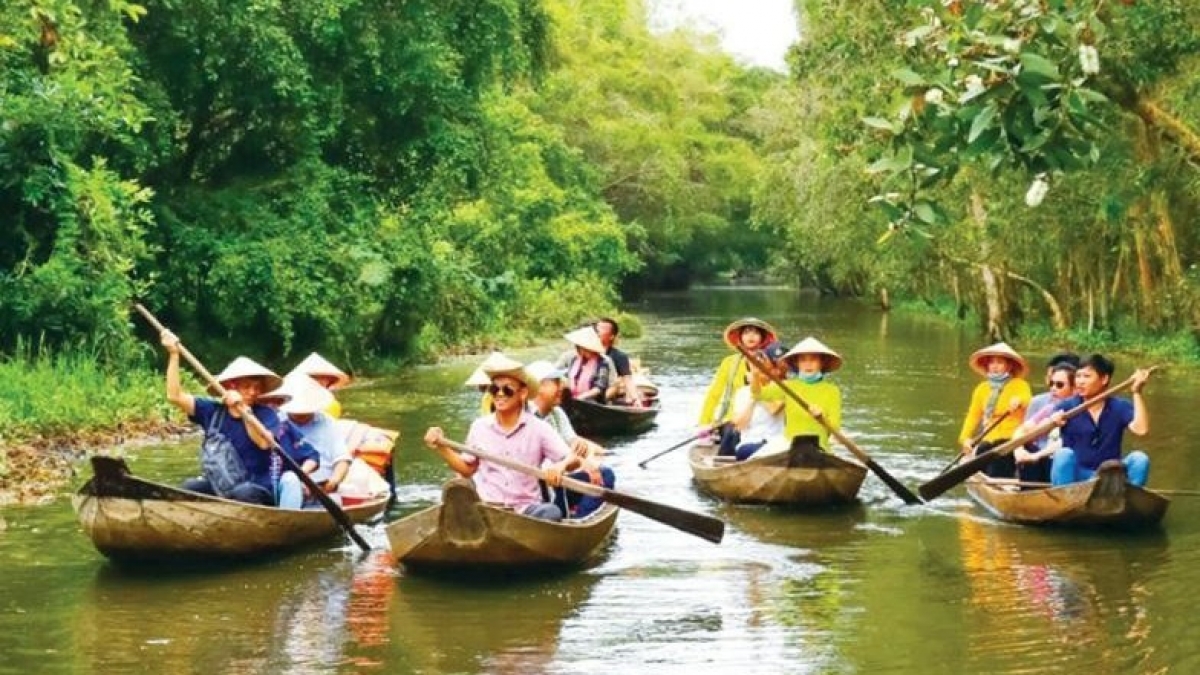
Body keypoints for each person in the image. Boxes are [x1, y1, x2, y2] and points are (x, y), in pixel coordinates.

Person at [423, 352, 580, 521]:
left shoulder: (539, 428)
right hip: (487, 509)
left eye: (507, 389)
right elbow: (467, 469)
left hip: (525, 510)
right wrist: (441, 447)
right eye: (494, 389)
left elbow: (573, 459)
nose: (499, 394)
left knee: (552, 512)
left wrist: (560, 467)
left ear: (523, 393)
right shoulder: (479, 427)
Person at [160, 331, 282, 505]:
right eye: (246, 387)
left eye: (257, 388)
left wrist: (245, 411)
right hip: (220, 486)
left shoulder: (266, 414)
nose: (252, 392)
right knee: (190, 487)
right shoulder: (211, 410)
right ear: (232, 386)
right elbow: (175, 396)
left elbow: (263, 443)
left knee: (244, 492)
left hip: (255, 489)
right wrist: (173, 354)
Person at [525, 360, 615, 518]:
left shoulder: (557, 414)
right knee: (606, 475)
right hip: (544, 482)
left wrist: (589, 458)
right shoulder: (528, 419)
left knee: (600, 472)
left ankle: (578, 516)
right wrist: (579, 462)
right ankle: (578, 519)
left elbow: (573, 442)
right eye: (556, 383)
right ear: (539, 387)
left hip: (562, 476)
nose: (561, 388)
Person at [1049, 354, 1152, 486]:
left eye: (1086, 376)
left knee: (1140, 459)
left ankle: (1126, 501)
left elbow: (1141, 430)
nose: (1080, 381)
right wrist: (1053, 421)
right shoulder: (1067, 407)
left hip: (1110, 477)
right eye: (1078, 376)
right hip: (1078, 476)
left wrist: (1137, 392)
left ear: (1104, 379)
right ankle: (1067, 500)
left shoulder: (1119, 406)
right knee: (1064, 455)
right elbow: (1038, 429)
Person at [271, 373, 353, 507]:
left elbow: (342, 459)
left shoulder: (328, 423)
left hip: (322, 488)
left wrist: (334, 481)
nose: (302, 413)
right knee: (290, 482)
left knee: (335, 502)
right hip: (287, 485)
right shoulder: (277, 422)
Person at [699, 318, 779, 452]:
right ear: (740, 338)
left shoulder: (771, 363)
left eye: (755, 333)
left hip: (764, 417)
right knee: (732, 433)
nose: (751, 336)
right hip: (734, 418)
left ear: (762, 338)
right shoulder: (729, 363)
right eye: (747, 332)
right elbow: (715, 393)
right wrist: (705, 422)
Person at [755, 337, 843, 452]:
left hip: (820, 447)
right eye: (803, 360)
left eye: (813, 360)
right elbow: (759, 395)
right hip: (790, 446)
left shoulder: (832, 391)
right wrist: (755, 376)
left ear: (822, 363)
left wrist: (821, 417)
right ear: (797, 363)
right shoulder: (788, 386)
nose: (808, 365)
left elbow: (835, 428)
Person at [958, 342, 1032, 478]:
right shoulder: (982, 389)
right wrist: (965, 439)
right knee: (983, 450)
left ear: (1009, 366)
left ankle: (1001, 482)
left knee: (1000, 451)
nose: (995, 366)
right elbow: (973, 416)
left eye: (999, 362)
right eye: (992, 362)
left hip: (1012, 437)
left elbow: (1028, 400)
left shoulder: (1020, 385)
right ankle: (987, 480)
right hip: (989, 436)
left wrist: (1019, 401)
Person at [1011, 360, 1079, 483]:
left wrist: (1036, 456)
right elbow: (1021, 431)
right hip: (1042, 458)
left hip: (1062, 461)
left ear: (1074, 389)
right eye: (1051, 384)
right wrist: (1019, 450)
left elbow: (1063, 444)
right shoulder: (1050, 408)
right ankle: (1028, 496)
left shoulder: (1081, 410)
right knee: (1027, 451)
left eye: (1059, 385)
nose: (1053, 388)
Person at [729, 346, 787, 461]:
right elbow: (739, 425)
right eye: (757, 370)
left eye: (765, 369)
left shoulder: (781, 389)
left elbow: (774, 410)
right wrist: (753, 398)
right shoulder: (742, 393)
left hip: (778, 444)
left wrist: (758, 392)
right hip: (750, 444)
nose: (762, 373)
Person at [558, 326, 614, 403]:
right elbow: (567, 378)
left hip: (593, 402)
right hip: (574, 398)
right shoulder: (574, 360)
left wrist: (581, 397)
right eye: (580, 348)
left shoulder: (602, 363)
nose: (581, 351)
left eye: (584, 348)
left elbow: (599, 387)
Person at [594, 317, 640, 406]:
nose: (598, 331)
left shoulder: (619, 356)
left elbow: (627, 379)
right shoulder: (588, 352)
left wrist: (635, 399)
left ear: (611, 336)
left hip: (607, 392)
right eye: (597, 328)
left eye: (602, 329)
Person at [291, 352, 351, 418]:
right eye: (317, 378)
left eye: (327, 380)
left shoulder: (331, 405)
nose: (324, 382)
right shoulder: (289, 400)